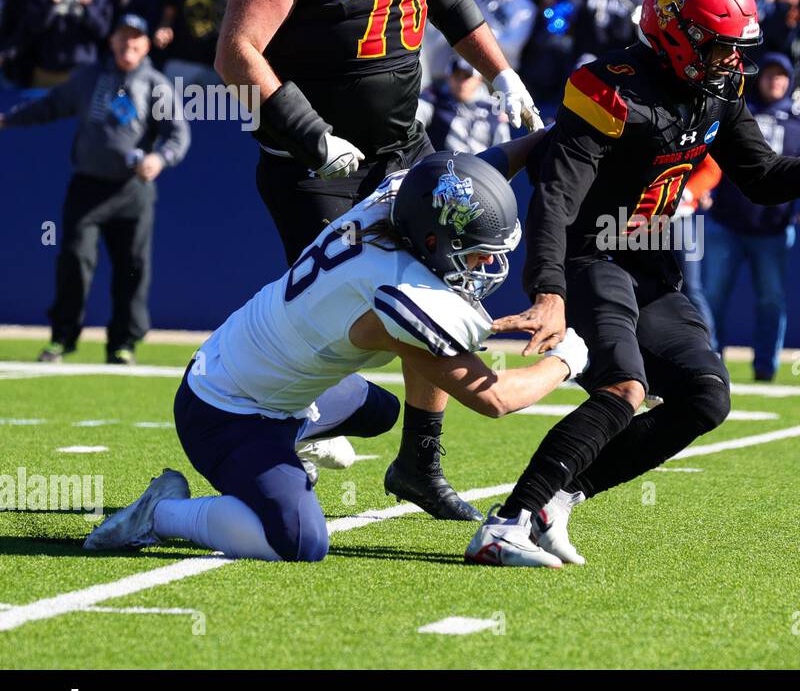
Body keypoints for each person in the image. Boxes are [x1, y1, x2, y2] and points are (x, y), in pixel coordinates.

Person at [475, 0, 800, 567]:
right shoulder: (608, 86)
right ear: (677, 31)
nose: (732, 62)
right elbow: (556, 196)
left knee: (705, 398)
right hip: (593, 254)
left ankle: (557, 503)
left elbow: (761, 178)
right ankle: (507, 522)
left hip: (653, 263)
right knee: (624, 388)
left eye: (736, 48)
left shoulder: (720, 90)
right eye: (719, 47)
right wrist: (548, 288)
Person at [215, 0, 542, 523]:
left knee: (445, 300)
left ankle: (419, 463)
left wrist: (500, 74)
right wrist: (312, 135)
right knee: (338, 318)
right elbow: (237, 54)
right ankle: (296, 420)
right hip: (317, 166)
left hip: (403, 151)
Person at [83, 151, 589, 563]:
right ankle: (161, 513)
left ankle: (293, 441)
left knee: (381, 412)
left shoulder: (396, 204)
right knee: (300, 541)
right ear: (432, 242)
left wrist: (553, 134)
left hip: (243, 363)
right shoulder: (396, 293)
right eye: (478, 252)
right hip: (224, 412)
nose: (489, 264)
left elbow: (468, 174)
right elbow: (495, 398)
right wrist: (569, 356)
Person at [0, 14, 189, 365]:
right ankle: (61, 338)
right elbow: (50, 105)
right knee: (74, 258)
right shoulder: (89, 78)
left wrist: (159, 160)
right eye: (122, 38)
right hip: (87, 187)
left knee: (132, 268)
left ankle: (123, 344)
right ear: (111, 41)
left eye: (135, 39)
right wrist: (8, 118)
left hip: (133, 190)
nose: (127, 45)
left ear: (146, 45)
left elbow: (178, 134)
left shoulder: (156, 85)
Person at [704, 53, 800, 382]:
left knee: (770, 301)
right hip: (727, 221)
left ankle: (765, 366)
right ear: (757, 78)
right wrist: (701, 186)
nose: (774, 81)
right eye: (769, 75)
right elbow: (703, 150)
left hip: (773, 227)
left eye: (781, 76)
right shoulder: (736, 108)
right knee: (711, 299)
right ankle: (708, 366)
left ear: (789, 82)